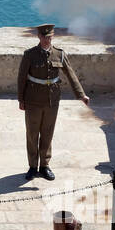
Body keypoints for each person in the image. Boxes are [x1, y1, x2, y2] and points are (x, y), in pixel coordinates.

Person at [17, 23, 90, 181]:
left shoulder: (60, 55)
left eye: (49, 37)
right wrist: (21, 100)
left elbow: (71, 75)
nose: (46, 40)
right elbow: (21, 78)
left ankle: (44, 166)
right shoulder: (30, 55)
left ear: (53, 37)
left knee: (47, 134)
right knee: (32, 134)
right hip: (33, 100)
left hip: (52, 101)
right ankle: (32, 167)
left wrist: (81, 95)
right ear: (39, 37)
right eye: (44, 37)